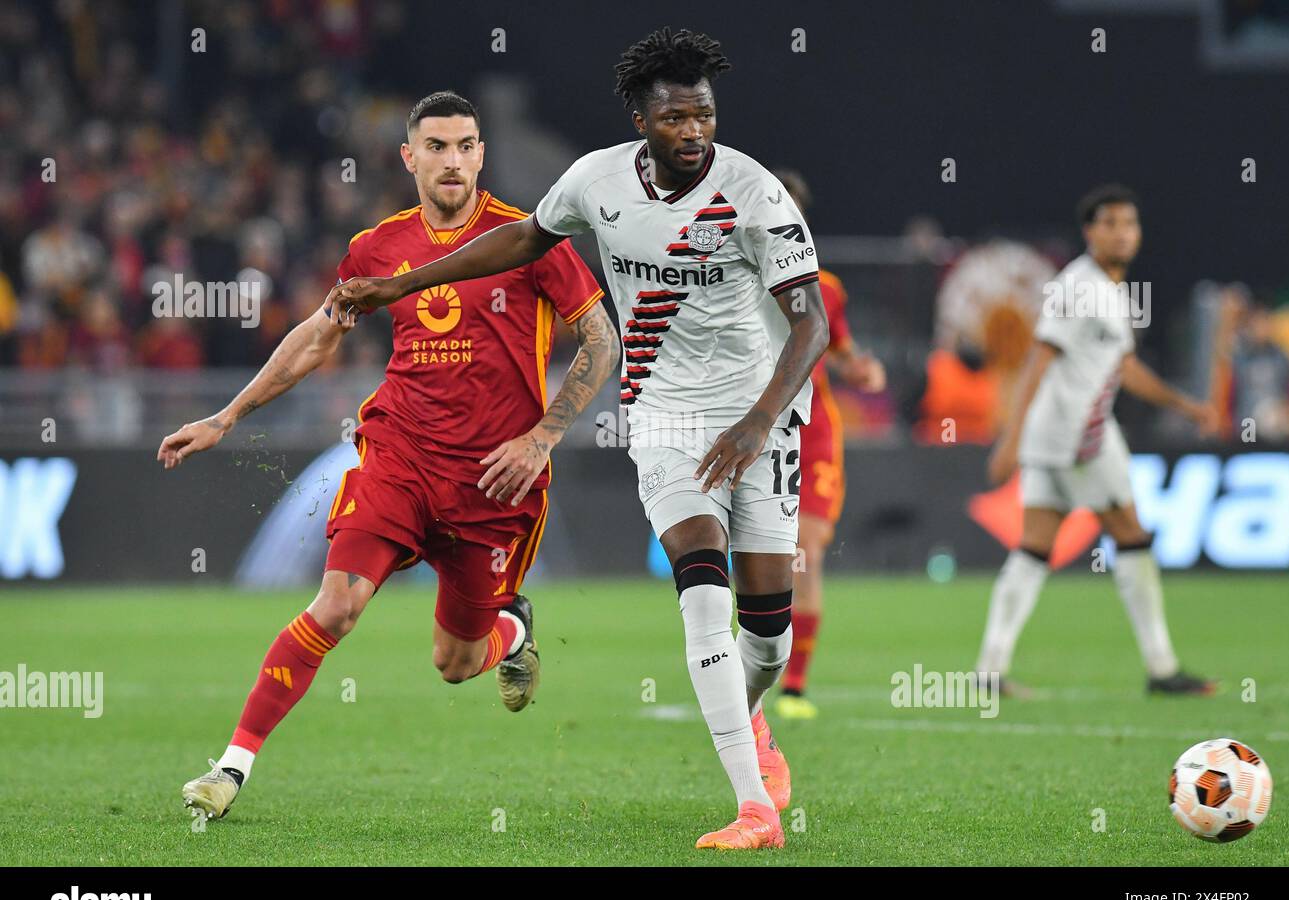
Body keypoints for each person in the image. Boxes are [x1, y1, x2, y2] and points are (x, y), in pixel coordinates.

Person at [330, 29, 831, 850]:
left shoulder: (756, 193)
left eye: (704, 113)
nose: (694, 131)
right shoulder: (596, 181)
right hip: (664, 415)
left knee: (767, 639)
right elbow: (525, 237)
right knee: (703, 593)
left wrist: (756, 422)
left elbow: (808, 326)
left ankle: (754, 725)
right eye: (675, 117)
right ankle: (754, 810)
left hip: (762, 414)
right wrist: (403, 283)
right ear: (642, 119)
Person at [160, 91, 617, 820]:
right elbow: (318, 335)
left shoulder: (531, 240)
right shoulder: (377, 249)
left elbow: (602, 341)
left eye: (466, 145)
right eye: (436, 146)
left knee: (456, 662)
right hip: (398, 456)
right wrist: (228, 414)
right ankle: (230, 768)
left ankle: (513, 629)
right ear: (409, 158)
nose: (453, 160)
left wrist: (542, 436)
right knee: (337, 606)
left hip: (494, 483)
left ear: (481, 155)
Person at [979, 184, 1217, 697]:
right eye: (1110, 223)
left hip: (1061, 433)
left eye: (1129, 223)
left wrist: (1184, 405)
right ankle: (1162, 668)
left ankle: (988, 670)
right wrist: (1009, 438)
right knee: (1131, 536)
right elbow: (1039, 358)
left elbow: (1124, 368)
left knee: (1034, 547)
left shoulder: (1110, 292)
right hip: (1079, 434)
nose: (1122, 233)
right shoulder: (1078, 287)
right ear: (1090, 232)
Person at [768, 169, 886, 721]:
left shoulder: (825, 288)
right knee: (759, 562)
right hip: (750, 430)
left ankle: (794, 688)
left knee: (805, 552)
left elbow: (838, 349)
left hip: (812, 433)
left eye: (789, 210)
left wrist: (860, 370)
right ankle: (748, 674)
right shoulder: (724, 279)